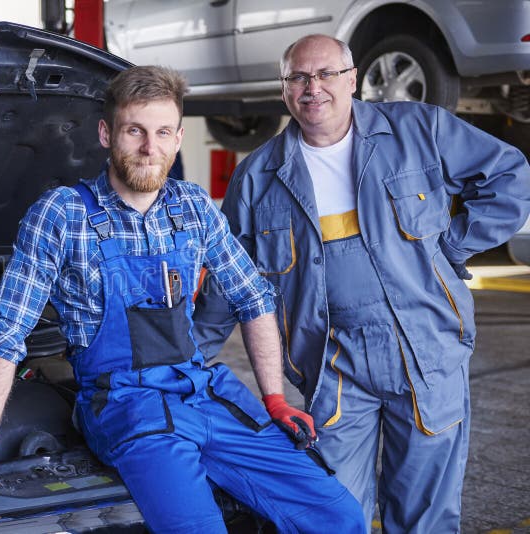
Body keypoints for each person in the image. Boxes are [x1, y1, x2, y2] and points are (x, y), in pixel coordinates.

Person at [0, 65, 365, 533]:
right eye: (135, 131)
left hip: (204, 394)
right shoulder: (63, 214)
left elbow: (254, 298)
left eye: (162, 132)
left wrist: (274, 399)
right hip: (126, 406)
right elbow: (8, 331)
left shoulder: (193, 207)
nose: (149, 148)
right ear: (106, 133)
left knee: (338, 515)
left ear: (178, 138)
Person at [192, 34, 530, 533]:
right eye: (299, 78)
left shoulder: (419, 130)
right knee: (331, 513)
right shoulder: (258, 176)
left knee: (425, 519)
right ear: (284, 90)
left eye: (326, 73)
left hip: (426, 351)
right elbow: (230, 281)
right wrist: (180, 355)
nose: (314, 88)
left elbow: (510, 176)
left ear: (352, 79)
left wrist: (451, 249)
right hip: (333, 365)